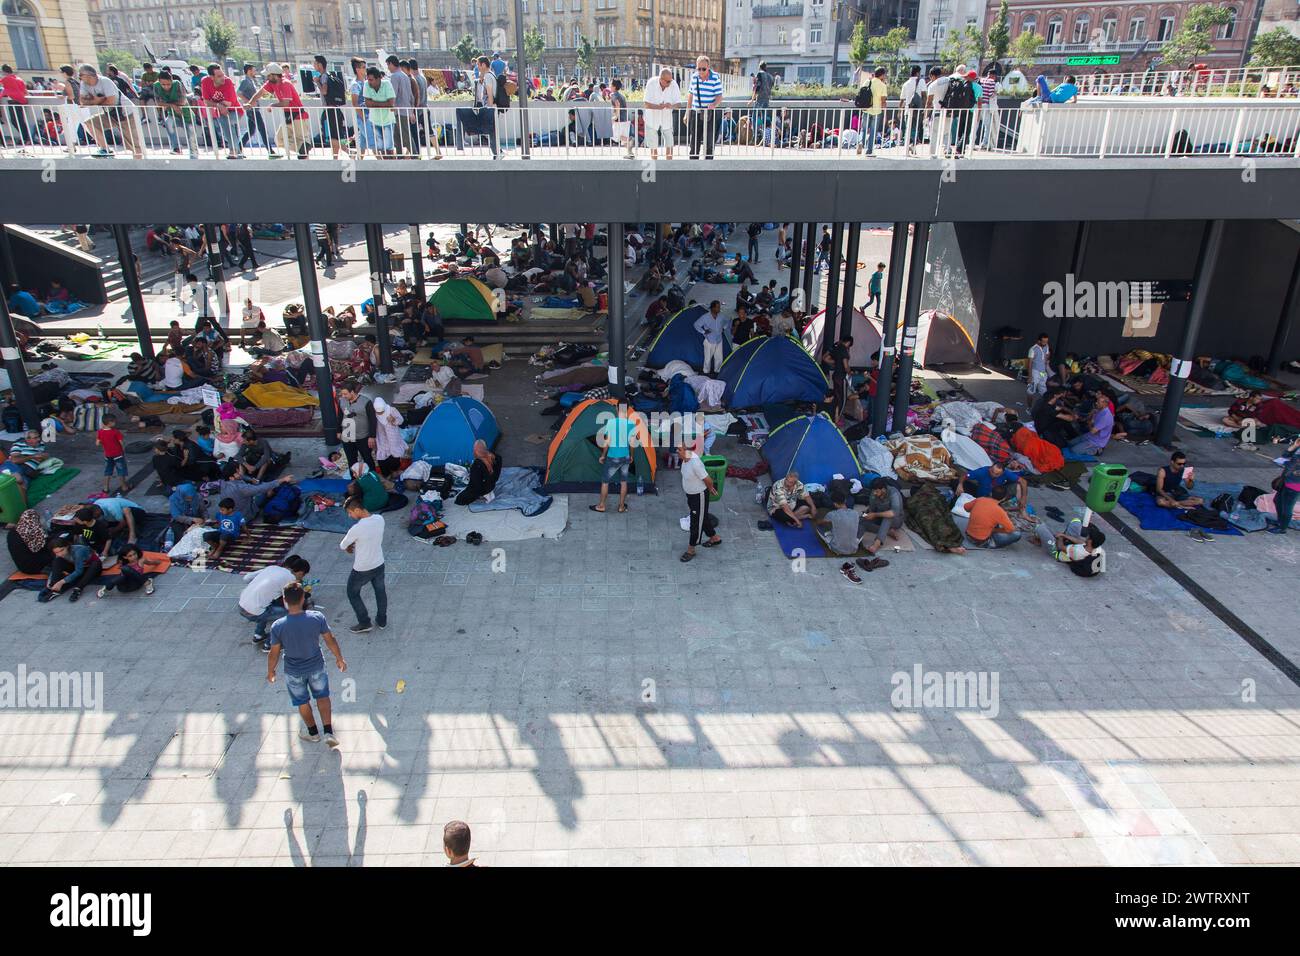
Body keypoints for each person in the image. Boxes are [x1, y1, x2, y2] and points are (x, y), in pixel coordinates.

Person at [267, 582, 346, 748]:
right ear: (303, 598)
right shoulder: (317, 617)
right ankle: (328, 732)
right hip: (316, 666)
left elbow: (274, 653)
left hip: (293, 671)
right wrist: (339, 658)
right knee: (322, 697)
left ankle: (313, 733)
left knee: (302, 702)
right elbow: (330, 639)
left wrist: (271, 671)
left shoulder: (278, 626)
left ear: (284, 600)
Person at [238, 554, 312, 650]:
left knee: (266, 606)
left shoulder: (272, 568)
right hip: (254, 612)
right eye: (303, 575)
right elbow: (288, 605)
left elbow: (246, 578)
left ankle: (258, 635)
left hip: (241, 605)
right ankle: (270, 644)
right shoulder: (290, 579)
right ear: (301, 573)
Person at [340, 495, 387, 633]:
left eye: (350, 512)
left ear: (357, 510)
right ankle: (382, 620)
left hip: (362, 568)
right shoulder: (380, 519)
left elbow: (343, 545)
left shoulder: (357, 529)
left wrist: (352, 544)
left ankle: (364, 622)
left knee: (352, 593)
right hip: (379, 563)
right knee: (380, 591)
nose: (350, 516)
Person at [814, 492, 881, 583]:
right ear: (845, 500)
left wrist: (819, 521)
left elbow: (820, 523)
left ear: (834, 504)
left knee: (819, 527)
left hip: (837, 548)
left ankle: (834, 543)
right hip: (854, 549)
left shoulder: (832, 514)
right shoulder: (855, 513)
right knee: (861, 528)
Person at [591, 405, 639, 514]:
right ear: (627, 410)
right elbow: (632, 444)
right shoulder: (631, 424)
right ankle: (621, 506)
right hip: (625, 456)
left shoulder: (611, 423)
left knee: (605, 482)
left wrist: (603, 455)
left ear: (617, 409)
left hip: (613, 457)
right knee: (624, 482)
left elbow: (607, 441)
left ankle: (602, 505)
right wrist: (631, 456)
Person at [679, 442, 721, 561]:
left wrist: (711, 488)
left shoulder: (695, 463)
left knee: (696, 522)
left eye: (679, 450)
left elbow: (707, 479)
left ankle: (691, 549)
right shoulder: (685, 459)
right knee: (703, 517)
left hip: (699, 496)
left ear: (687, 451)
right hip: (691, 495)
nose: (677, 452)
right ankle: (714, 537)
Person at [39, 535, 102, 603]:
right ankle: (54, 588)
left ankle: (78, 589)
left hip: (89, 568)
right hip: (75, 566)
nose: (60, 554)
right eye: (57, 552)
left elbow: (79, 571)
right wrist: (51, 581)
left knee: (96, 564)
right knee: (57, 561)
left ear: (67, 546)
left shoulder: (78, 551)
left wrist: (61, 582)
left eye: (62, 550)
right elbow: (55, 568)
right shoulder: (58, 555)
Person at [687, 56, 723, 160]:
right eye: (699, 69)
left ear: (708, 67)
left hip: (709, 113)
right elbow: (690, 95)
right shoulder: (694, 77)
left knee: (709, 140)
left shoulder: (715, 77)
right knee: (694, 140)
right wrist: (687, 113)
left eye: (703, 69)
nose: (701, 71)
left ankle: (708, 164)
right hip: (696, 112)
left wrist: (714, 104)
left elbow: (719, 96)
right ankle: (693, 164)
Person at [337, 379, 378, 470]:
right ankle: (354, 480)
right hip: (347, 436)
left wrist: (372, 436)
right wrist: (339, 431)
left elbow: (372, 420)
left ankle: (371, 478)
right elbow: (340, 416)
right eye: (342, 394)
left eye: (345, 394)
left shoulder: (366, 402)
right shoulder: (341, 401)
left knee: (367, 459)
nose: (343, 396)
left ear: (352, 392)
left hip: (362, 437)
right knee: (351, 460)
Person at [96, 544, 160, 598]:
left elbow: (151, 563)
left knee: (125, 569)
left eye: (134, 554)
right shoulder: (124, 564)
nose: (133, 557)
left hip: (136, 583)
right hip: (123, 587)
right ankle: (107, 588)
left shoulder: (141, 560)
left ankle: (148, 583)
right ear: (125, 557)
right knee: (123, 572)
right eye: (130, 556)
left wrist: (158, 562)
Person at [862, 478, 905, 556]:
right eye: (873, 491)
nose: (874, 493)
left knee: (887, 517)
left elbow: (894, 513)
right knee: (862, 521)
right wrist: (869, 514)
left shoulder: (893, 493)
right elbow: (872, 509)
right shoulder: (873, 493)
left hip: (895, 520)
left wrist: (875, 515)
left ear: (883, 489)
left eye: (876, 491)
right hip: (879, 516)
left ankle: (877, 544)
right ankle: (888, 532)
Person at [1267, 437, 1300, 534]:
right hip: (1286, 480)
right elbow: (1285, 455)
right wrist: (1294, 446)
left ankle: (1282, 527)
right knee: (1277, 500)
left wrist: (1288, 465)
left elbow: (1294, 466)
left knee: (1287, 507)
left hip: (1294, 484)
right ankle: (1280, 522)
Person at [455, 440, 501, 506]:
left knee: (459, 500)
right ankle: (486, 493)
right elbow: (495, 476)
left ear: (476, 450)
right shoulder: (496, 457)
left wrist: (474, 493)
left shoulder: (477, 465)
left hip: (482, 489)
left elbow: (475, 484)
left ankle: (484, 494)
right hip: (491, 485)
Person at [1069, 391, 1114, 456]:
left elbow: (1093, 430)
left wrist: (1090, 421)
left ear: (1104, 404)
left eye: (1098, 402)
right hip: (1090, 435)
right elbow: (1088, 422)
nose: (1096, 403)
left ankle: (1097, 450)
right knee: (1070, 443)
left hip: (1096, 442)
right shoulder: (1099, 410)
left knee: (1074, 451)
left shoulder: (1105, 416)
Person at [7, 508, 51, 574]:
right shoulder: (34, 531)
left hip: (22, 566)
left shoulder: (12, 532)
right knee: (54, 551)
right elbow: (42, 546)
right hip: (33, 566)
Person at [201, 497, 243, 562]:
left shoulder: (238, 515)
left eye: (222, 510)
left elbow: (243, 525)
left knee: (224, 535)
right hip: (221, 533)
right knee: (205, 535)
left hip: (231, 536)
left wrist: (249, 536)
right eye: (220, 509)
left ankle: (219, 550)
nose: (220, 511)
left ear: (230, 510)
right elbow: (220, 523)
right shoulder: (219, 514)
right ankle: (214, 547)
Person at [694, 300, 726, 375]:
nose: (719, 309)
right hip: (709, 341)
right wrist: (703, 331)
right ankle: (706, 373)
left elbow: (727, 322)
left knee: (719, 358)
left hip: (719, 340)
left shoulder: (721, 316)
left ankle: (717, 371)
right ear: (712, 308)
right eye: (717, 307)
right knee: (707, 359)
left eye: (719, 307)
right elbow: (696, 324)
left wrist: (724, 328)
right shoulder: (705, 317)